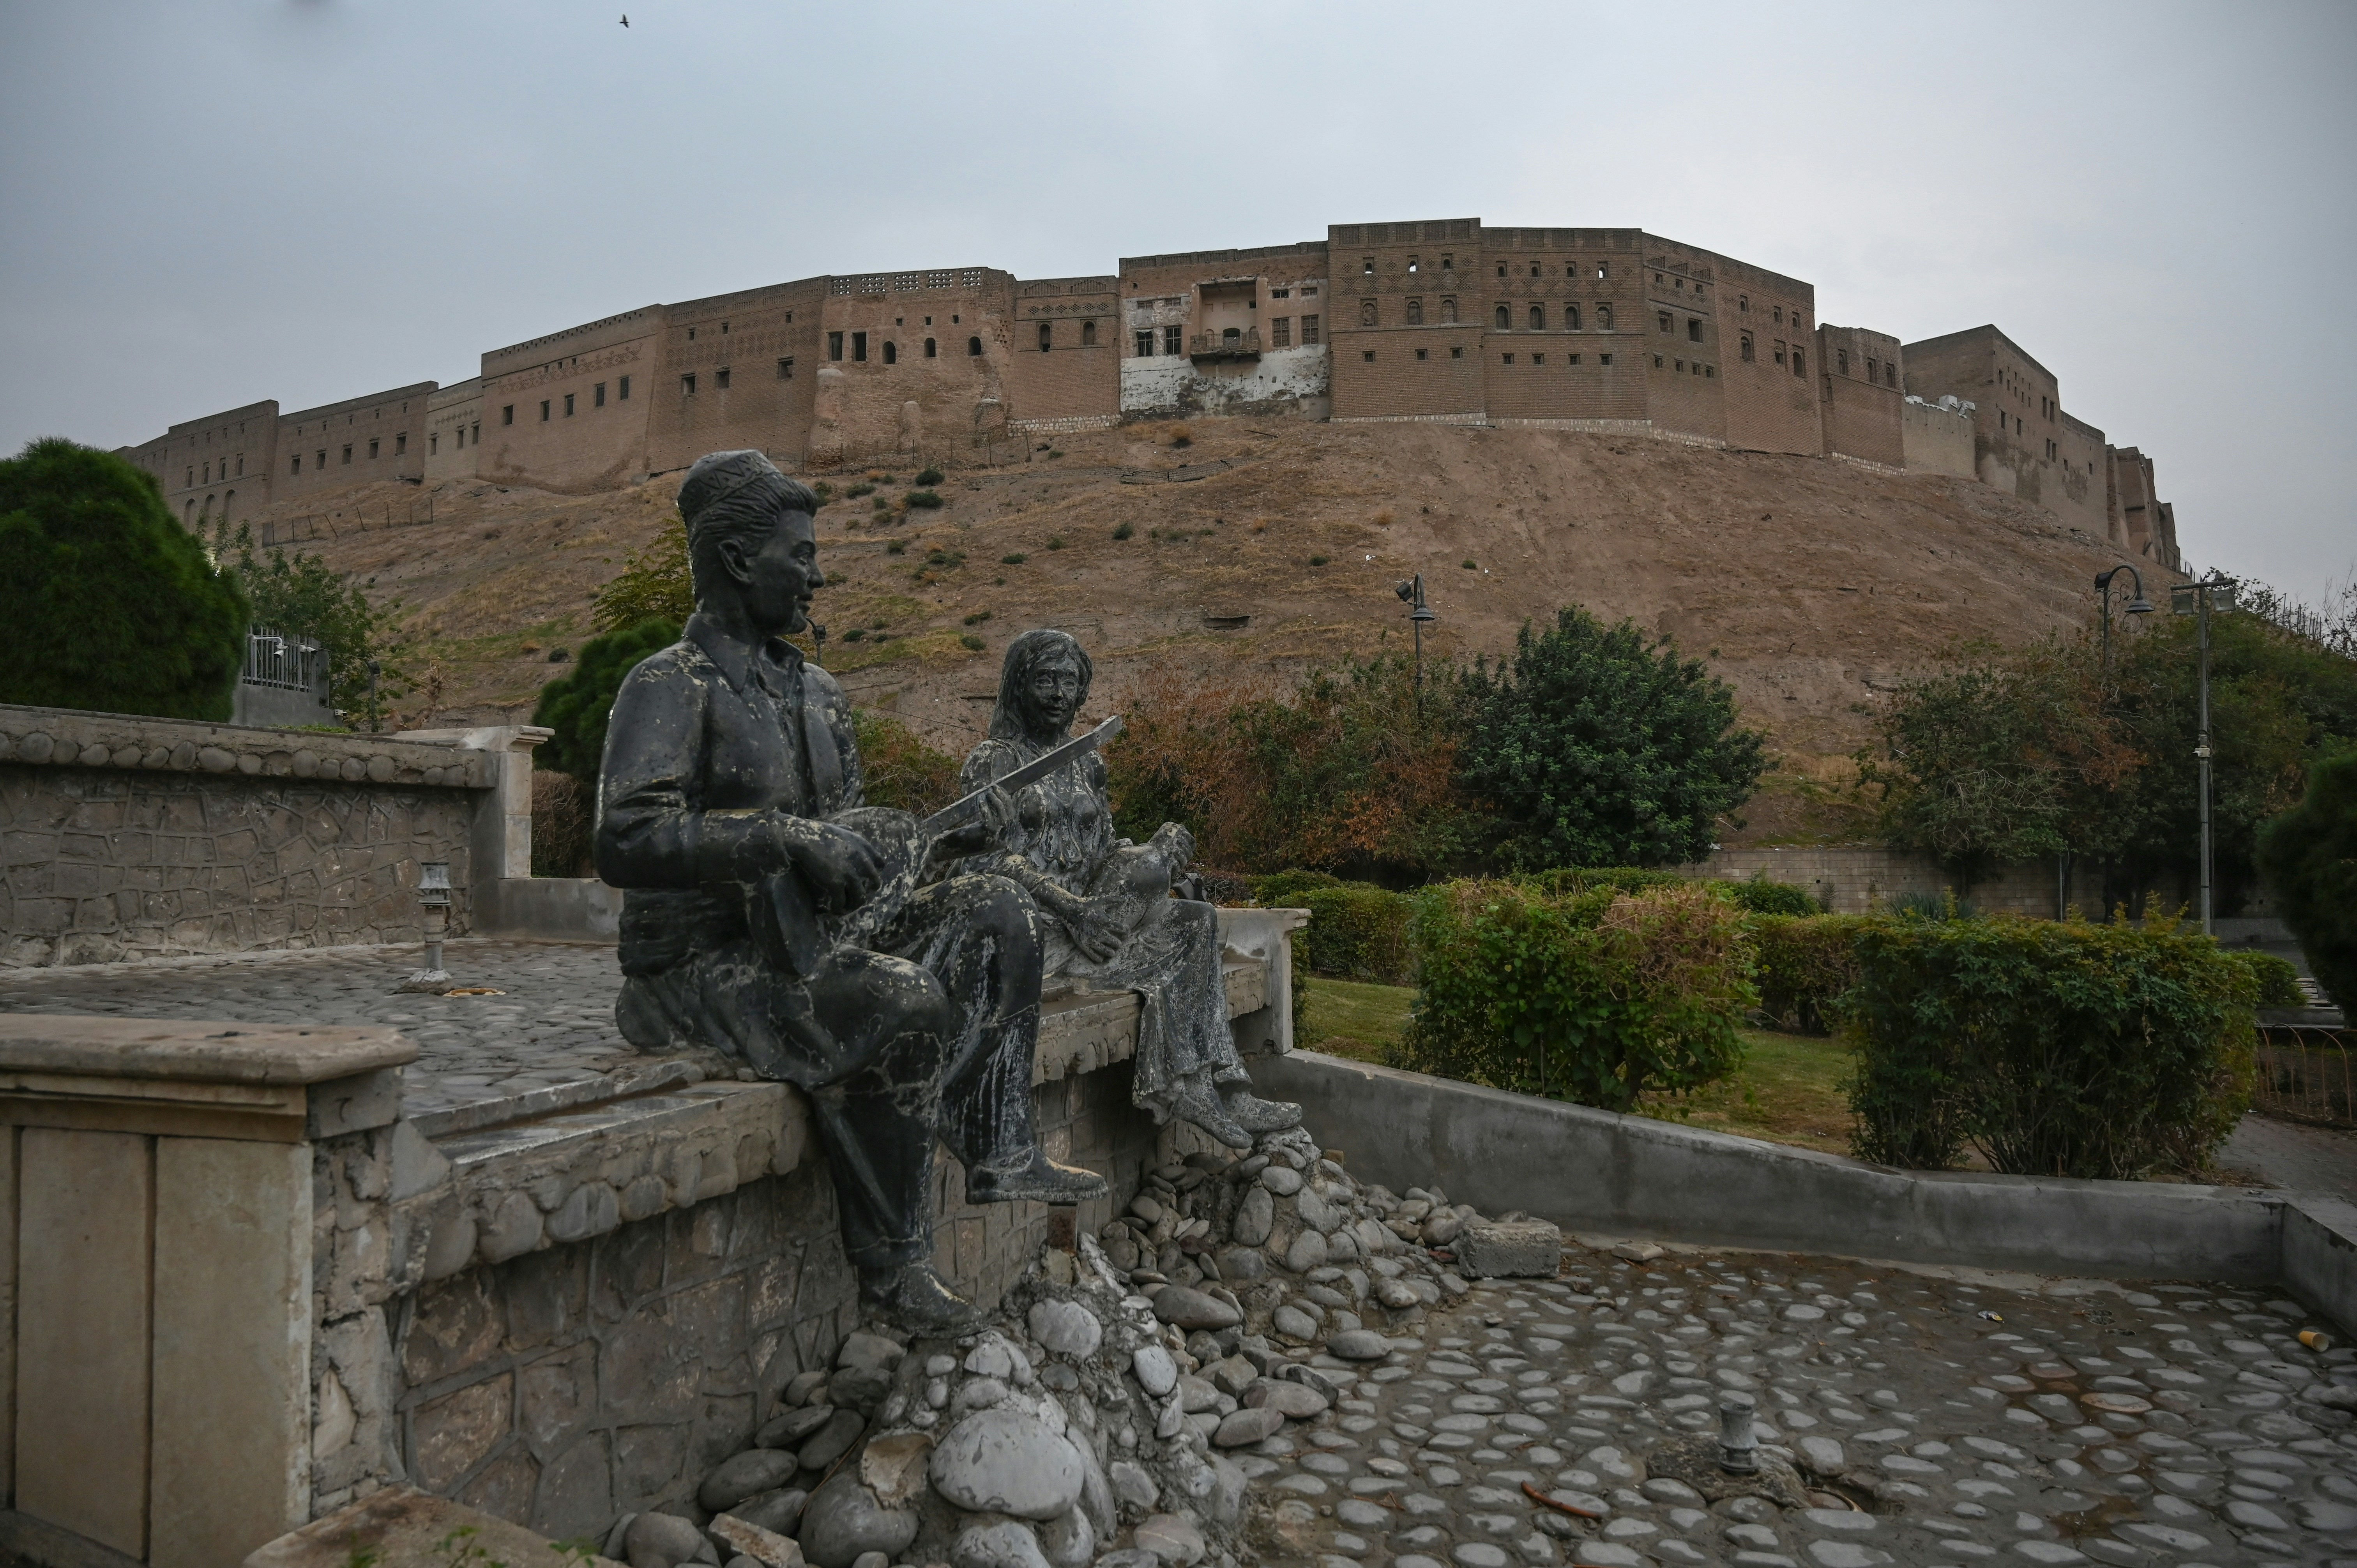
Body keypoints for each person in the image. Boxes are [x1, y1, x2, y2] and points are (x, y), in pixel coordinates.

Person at [595, 450, 1104, 1333]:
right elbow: (625, 836)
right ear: (737, 560)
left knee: (999, 910)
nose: (818, 576)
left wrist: (914, 837)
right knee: (901, 1000)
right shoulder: (670, 684)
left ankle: (996, 1143)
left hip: (810, 938)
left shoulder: (820, 692)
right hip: (703, 963)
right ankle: (894, 1265)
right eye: (801, 556)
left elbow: (843, 831)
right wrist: (783, 837)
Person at [954, 629, 1302, 1148]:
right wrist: (1073, 910)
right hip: (1039, 933)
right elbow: (983, 859)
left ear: (1082, 691)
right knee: (1167, 936)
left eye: (1068, 682)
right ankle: (1188, 1085)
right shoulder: (994, 760)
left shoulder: (1087, 761)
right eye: (1044, 681)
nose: (1057, 694)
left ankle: (1225, 1089)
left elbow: (1104, 850)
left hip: (1095, 921)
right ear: (1019, 686)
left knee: (1195, 921)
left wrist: (1158, 854)